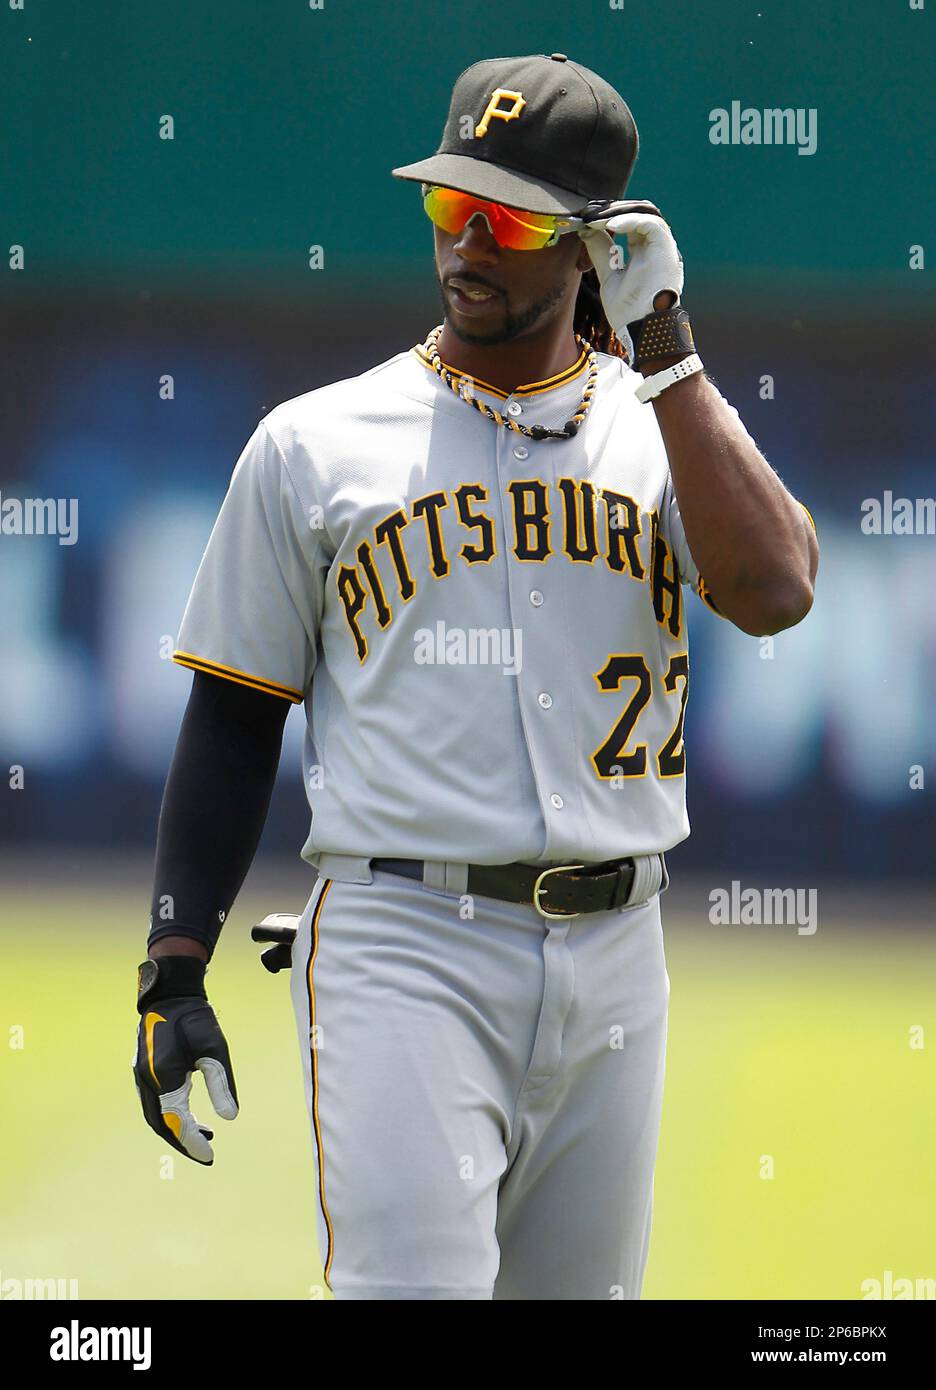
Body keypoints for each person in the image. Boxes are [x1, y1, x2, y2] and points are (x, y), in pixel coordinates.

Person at [133, 53, 818, 1301]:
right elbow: (235, 713)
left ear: (594, 246)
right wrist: (175, 962)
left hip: (619, 945)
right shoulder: (317, 442)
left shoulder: (659, 429)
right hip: (408, 941)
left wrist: (669, 354)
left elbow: (775, 588)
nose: (468, 244)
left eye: (506, 219)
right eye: (451, 205)